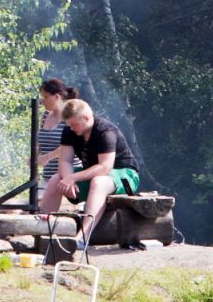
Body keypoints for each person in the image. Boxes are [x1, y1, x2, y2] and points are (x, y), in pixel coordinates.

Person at [37, 99, 140, 256]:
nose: (70, 128)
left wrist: (73, 177)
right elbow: (65, 160)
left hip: (125, 176)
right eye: (68, 125)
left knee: (98, 182)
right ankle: (40, 231)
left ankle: (82, 238)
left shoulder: (105, 131)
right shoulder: (69, 131)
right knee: (55, 179)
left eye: (73, 124)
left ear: (86, 118)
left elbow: (105, 167)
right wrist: (68, 180)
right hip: (93, 173)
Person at [35, 77, 78, 189]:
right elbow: (40, 142)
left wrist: (48, 157)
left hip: (69, 178)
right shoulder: (45, 116)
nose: (43, 101)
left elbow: (71, 144)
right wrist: (35, 157)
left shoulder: (70, 116)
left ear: (57, 96)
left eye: (45, 97)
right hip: (47, 178)